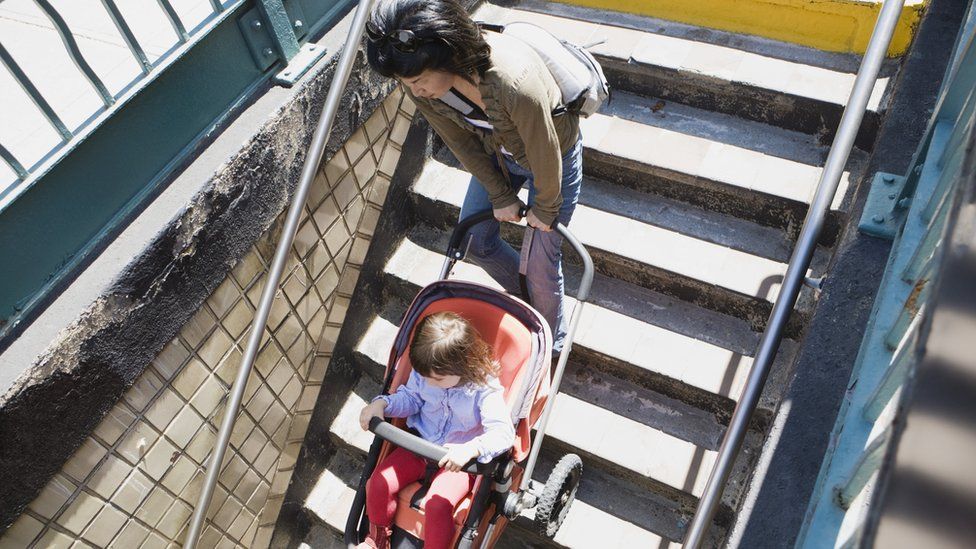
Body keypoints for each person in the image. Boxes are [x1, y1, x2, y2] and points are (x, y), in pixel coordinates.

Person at [365, 0, 583, 354]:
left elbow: (546, 150)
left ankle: (552, 343)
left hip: (553, 156)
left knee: (542, 263)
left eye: (418, 80)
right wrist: (500, 195)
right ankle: (534, 303)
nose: (415, 90)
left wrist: (544, 207)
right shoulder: (423, 89)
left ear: (447, 56)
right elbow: (460, 143)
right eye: (409, 82)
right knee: (476, 240)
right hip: (499, 156)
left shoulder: (513, 82)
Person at [358, 312, 515, 549]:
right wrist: (383, 404)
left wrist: (472, 448)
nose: (430, 382)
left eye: (438, 379)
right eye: (425, 377)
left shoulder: (484, 389)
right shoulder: (427, 374)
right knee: (379, 481)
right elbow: (411, 398)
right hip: (421, 445)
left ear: (465, 364)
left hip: (458, 462)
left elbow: (503, 433)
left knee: (437, 505)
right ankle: (377, 539)